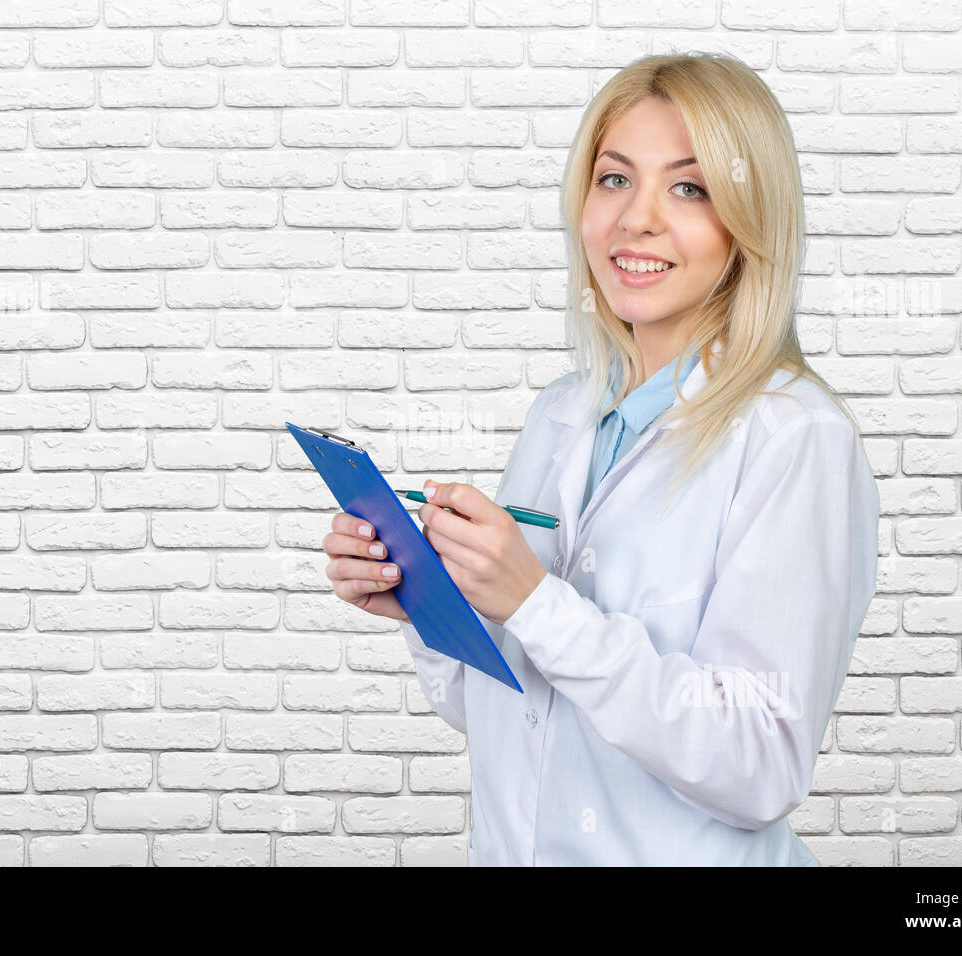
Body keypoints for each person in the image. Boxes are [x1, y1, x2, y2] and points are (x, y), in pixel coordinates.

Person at [321, 52, 879, 865]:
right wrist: (434, 607)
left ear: (750, 218)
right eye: (614, 179)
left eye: (688, 188)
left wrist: (536, 602)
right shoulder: (564, 411)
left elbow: (761, 766)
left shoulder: (794, 437)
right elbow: (511, 713)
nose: (636, 219)